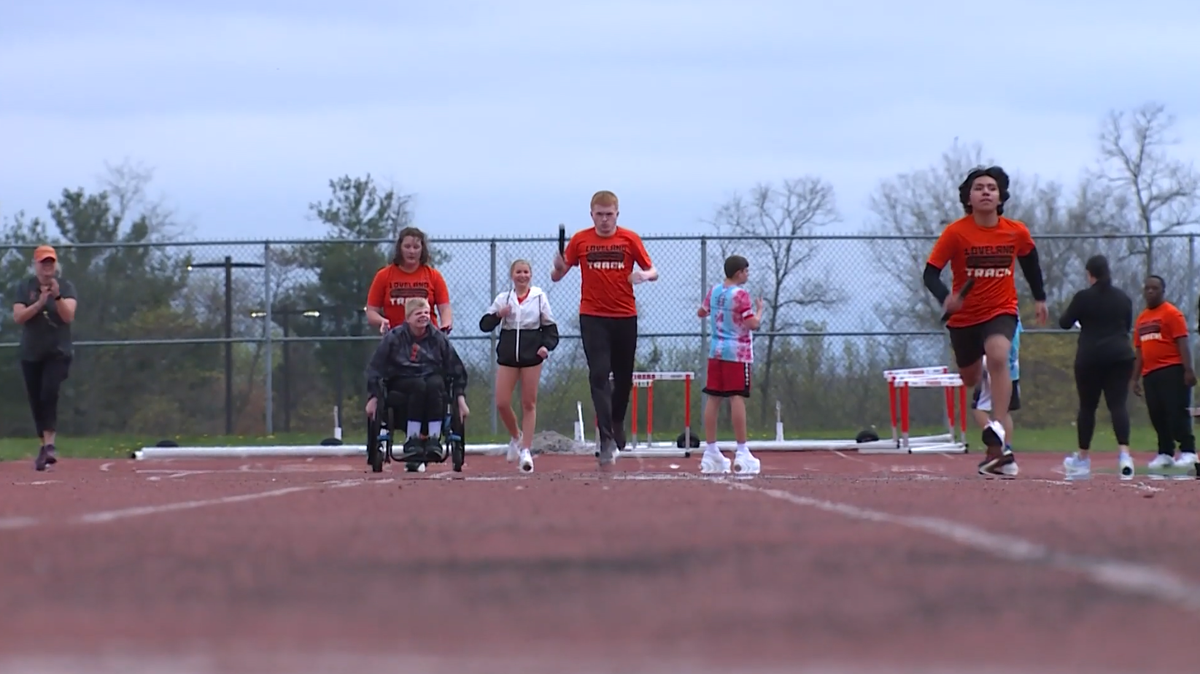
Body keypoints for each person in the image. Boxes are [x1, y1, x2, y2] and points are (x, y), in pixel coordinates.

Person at [923, 166, 1048, 477]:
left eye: (991, 187)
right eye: (979, 188)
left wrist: (1040, 298)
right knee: (970, 378)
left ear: (1000, 196)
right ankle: (997, 449)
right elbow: (930, 273)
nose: (986, 192)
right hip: (964, 318)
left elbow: (1030, 262)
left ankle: (998, 429)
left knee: (998, 355)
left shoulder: (1015, 231)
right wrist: (945, 298)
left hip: (1000, 310)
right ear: (969, 196)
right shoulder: (956, 232)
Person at [551, 190, 658, 467]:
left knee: (623, 378)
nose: (604, 220)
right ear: (592, 215)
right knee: (598, 374)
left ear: (617, 215)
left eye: (609, 214)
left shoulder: (629, 238)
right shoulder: (580, 240)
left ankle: (616, 420)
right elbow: (558, 276)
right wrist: (558, 266)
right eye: (599, 214)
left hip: (624, 316)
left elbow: (653, 270)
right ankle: (607, 437)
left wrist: (642, 276)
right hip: (593, 316)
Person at [1055, 255, 1137, 479]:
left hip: (1090, 357)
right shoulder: (1123, 298)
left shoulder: (1083, 297)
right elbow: (1126, 325)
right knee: (1118, 405)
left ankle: (1082, 458)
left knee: (1087, 407)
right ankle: (1124, 455)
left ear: (1090, 274)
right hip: (1120, 356)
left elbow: (1064, 323)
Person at [364, 297, 469, 465]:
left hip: (432, 380)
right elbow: (376, 368)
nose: (423, 316)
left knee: (435, 385)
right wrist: (373, 397)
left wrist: (460, 398)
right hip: (402, 380)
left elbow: (456, 369)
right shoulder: (394, 338)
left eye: (426, 313)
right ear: (408, 318)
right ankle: (412, 439)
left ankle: (434, 439)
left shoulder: (438, 338)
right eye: (418, 313)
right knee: (418, 385)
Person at [479, 259, 560, 473]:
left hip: (532, 356)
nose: (522, 276)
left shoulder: (539, 297)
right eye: (518, 272)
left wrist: (545, 347)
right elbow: (485, 325)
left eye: (525, 272)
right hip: (508, 356)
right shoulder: (503, 298)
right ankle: (516, 436)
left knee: (528, 403)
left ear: (531, 275)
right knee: (502, 402)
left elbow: (551, 329)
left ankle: (526, 450)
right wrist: (499, 315)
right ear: (512, 275)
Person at [11, 245, 78, 472]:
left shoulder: (66, 287)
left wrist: (56, 296)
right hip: (31, 352)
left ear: (56, 265)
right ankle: (44, 447)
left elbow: (68, 316)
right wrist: (39, 303)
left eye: (51, 262)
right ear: (36, 264)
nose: (47, 267)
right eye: (43, 262)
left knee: (49, 391)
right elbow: (19, 316)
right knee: (36, 399)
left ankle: (50, 445)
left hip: (57, 352)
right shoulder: (25, 287)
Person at [696, 255, 764, 475]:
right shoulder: (741, 295)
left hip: (716, 351)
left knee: (713, 397)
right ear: (738, 273)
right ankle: (742, 450)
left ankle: (711, 450)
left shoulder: (715, 291)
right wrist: (759, 310)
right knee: (737, 397)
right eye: (746, 271)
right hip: (737, 352)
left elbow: (701, 312)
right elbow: (752, 323)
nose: (747, 275)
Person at [1131, 274, 1197, 470]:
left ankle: (1188, 451)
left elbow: (1182, 343)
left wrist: (1188, 370)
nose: (1150, 291)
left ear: (1162, 291)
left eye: (1155, 288)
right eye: (1147, 288)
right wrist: (1134, 378)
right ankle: (1165, 452)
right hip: (1151, 373)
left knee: (1176, 412)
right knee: (1157, 414)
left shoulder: (1171, 314)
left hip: (1172, 370)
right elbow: (1140, 350)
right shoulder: (1142, 318)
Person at [365, 226, 453, 335]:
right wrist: (382, 321)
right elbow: (371, 311)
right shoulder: (383, 275)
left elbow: (445, 308)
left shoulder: (434, 276)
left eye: (416, 247)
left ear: (422, 249)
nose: (411, 251)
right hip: (396, 338)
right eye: (407, 246)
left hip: (428, 339)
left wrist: (445, 325)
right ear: (400, 248)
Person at [968, 317, 1021, 477]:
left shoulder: (997, 315)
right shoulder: (1013, 318)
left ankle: (1001, 449)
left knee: (979, 409)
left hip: (995, 367)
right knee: (1004, 411)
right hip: (1012, 369)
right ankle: (1006, 449)